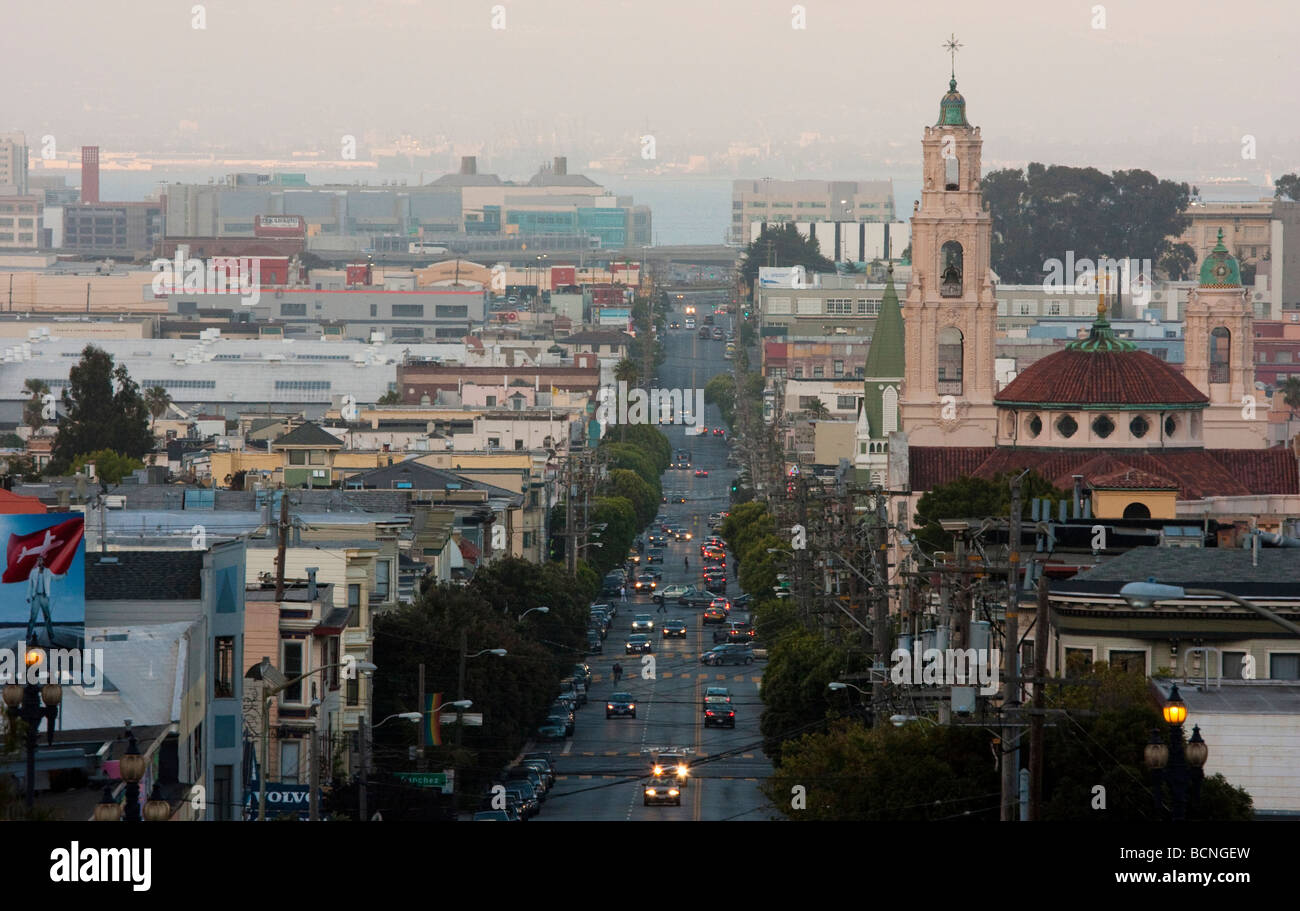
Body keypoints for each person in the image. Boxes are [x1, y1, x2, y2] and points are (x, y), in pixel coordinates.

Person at [26, 555, 56, 648]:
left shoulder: (48, 571)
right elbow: (30, 585)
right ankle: (28, 637)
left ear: (43, 561)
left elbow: (55, 578)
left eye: (41, 560)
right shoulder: (33, 572)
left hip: (44, 597)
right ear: (37, 562)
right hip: (36, 597)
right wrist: (28, 595)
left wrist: (64, 574)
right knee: (32, 618)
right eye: (38, 560)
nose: (39, 561)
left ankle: (51, 637)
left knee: (47, 617)